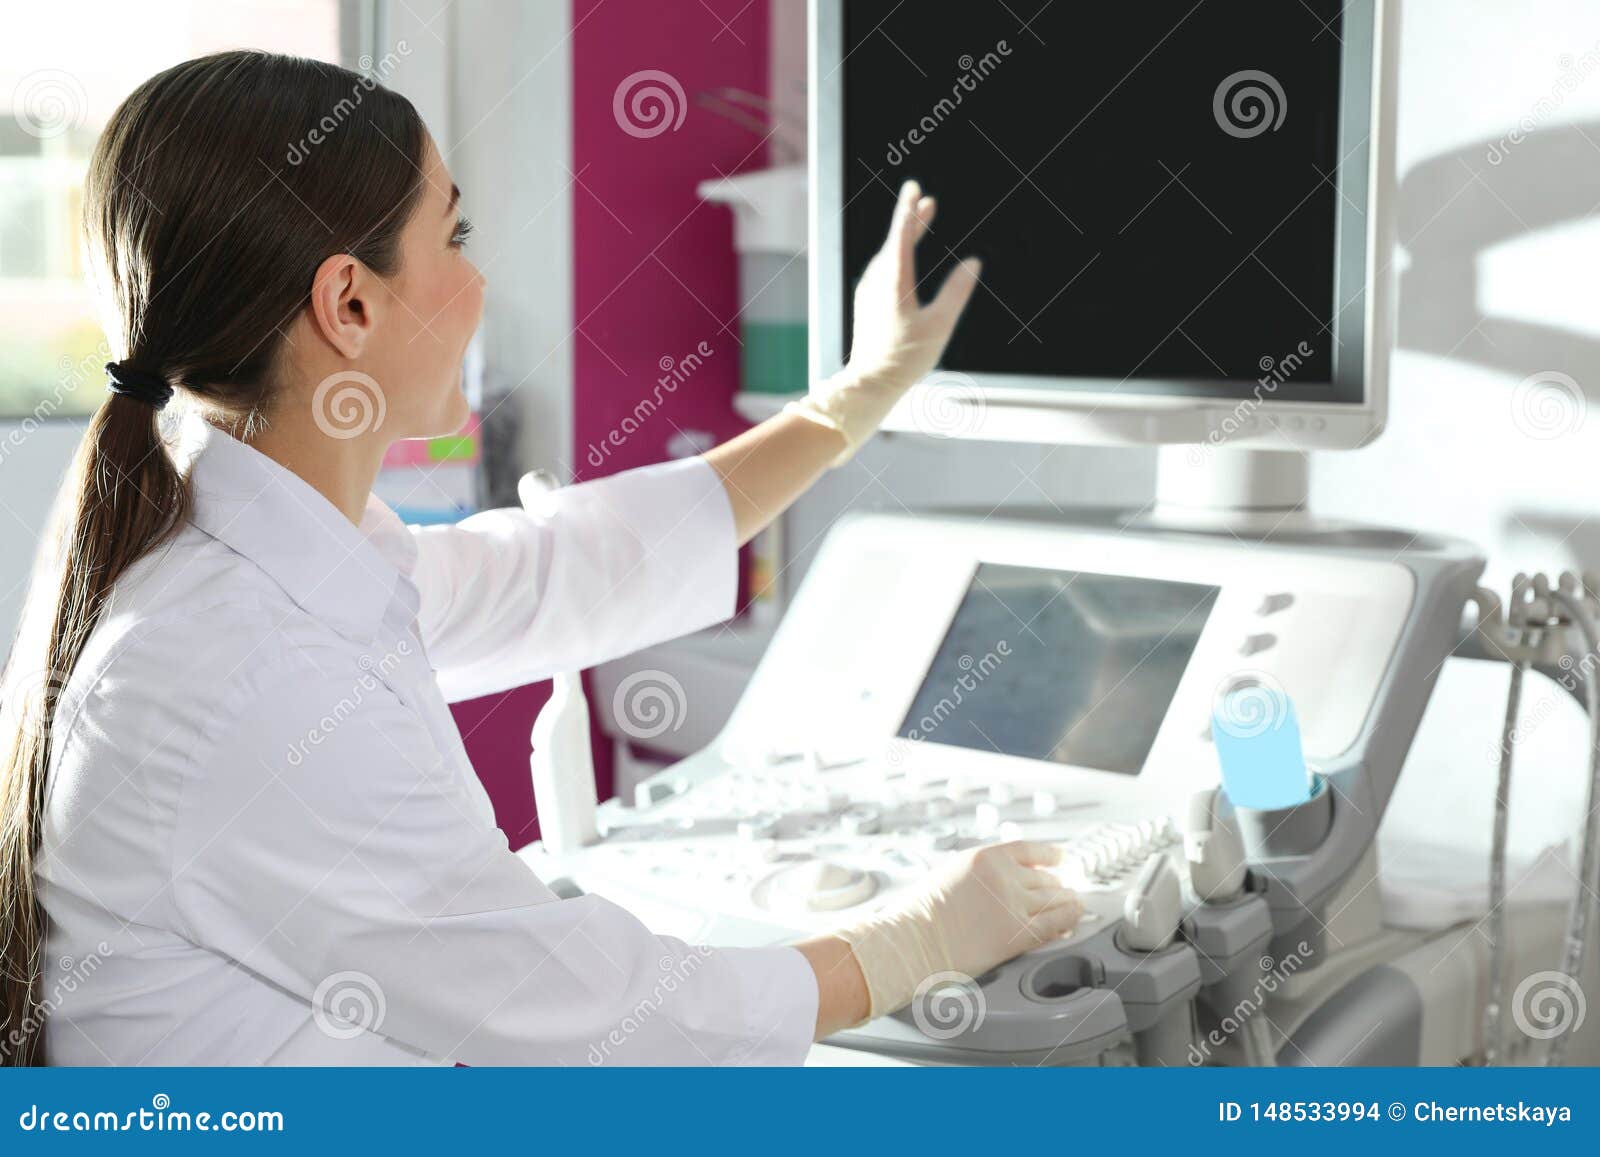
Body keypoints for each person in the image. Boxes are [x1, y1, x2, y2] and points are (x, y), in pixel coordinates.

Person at [0, 50, 1080, 1066]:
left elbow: (558, 564)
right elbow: (587, 1013)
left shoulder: (260, 545)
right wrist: (908, 945)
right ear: (351, 303)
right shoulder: (244, 666)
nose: (476, 285)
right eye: (455, 238)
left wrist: (858, 394)